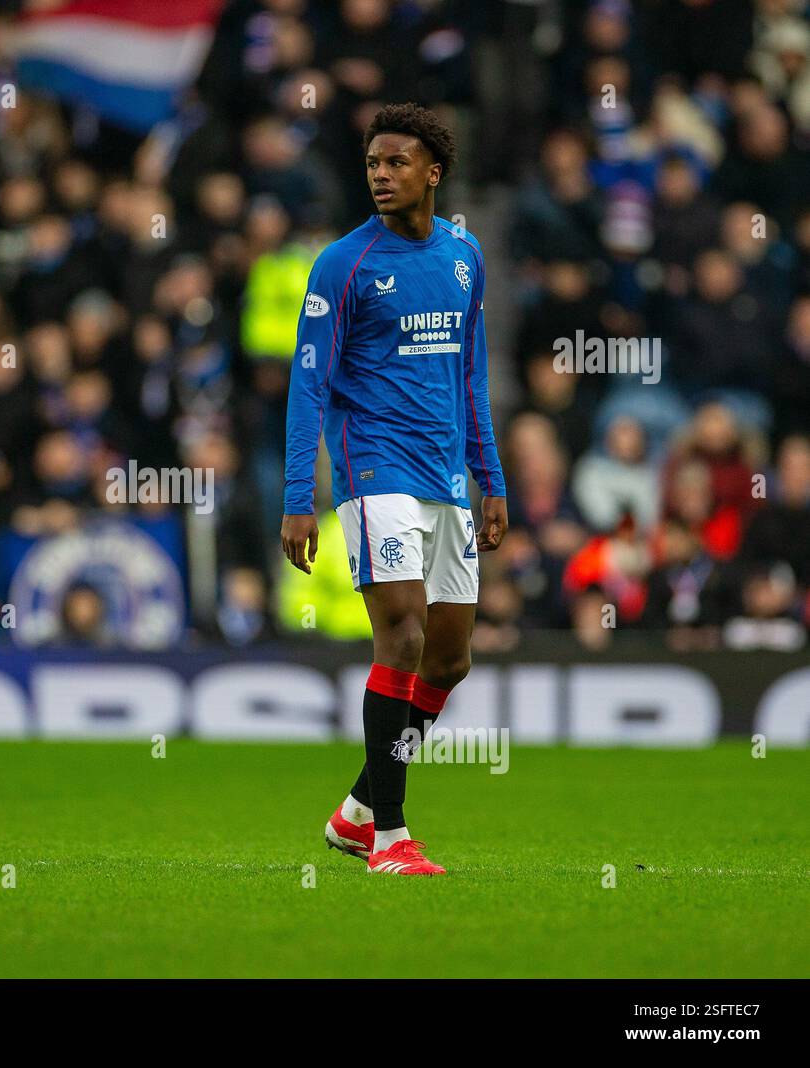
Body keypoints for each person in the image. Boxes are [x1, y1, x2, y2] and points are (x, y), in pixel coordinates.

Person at [281, 103, 508, 877]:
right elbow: (306, 386)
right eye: (374, 163)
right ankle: (391, 840)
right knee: (403, 636)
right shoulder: (343, 263)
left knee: (448, 661)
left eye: (397, 163)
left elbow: (470, 376)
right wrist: (296, 497)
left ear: (433, 172)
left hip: (446, 476)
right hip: (374, 468)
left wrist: (491, 478)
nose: (381, 175)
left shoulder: (463, 255)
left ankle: (356, 810)